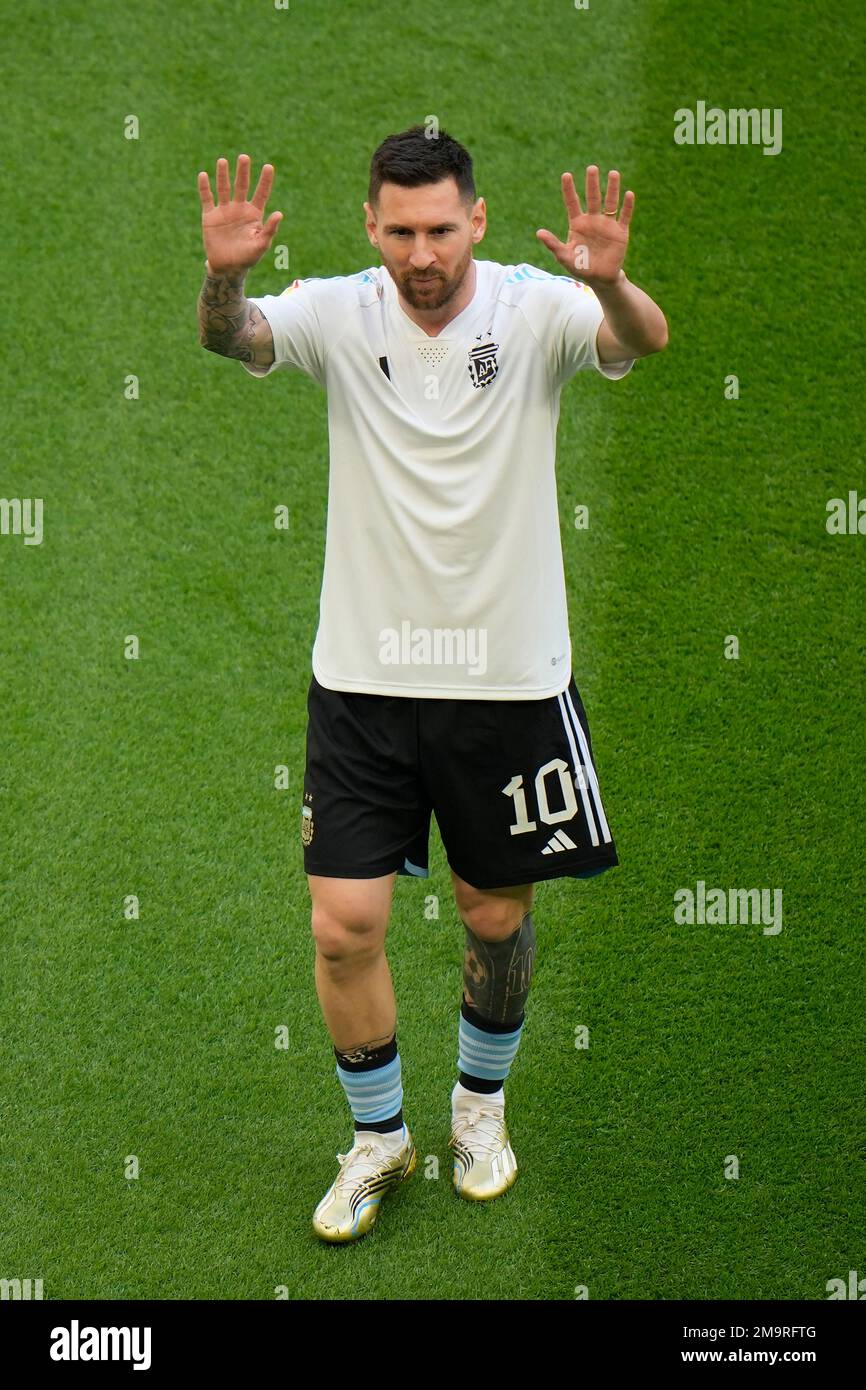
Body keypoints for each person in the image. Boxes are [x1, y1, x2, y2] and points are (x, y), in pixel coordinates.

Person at [196, 126, 668, 1243]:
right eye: (400, 230)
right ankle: (376, 1137)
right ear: (370, 225)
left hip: (507, 682)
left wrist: (609, 282)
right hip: (362, 681)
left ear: (478, 220)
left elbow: (639, 339)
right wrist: (225, 277)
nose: (421, 253)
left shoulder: (535, 308)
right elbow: (236, 338)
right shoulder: (336, 309)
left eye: (440, 229)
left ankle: (477, 1107)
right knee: (342, 924)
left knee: (492, 916)